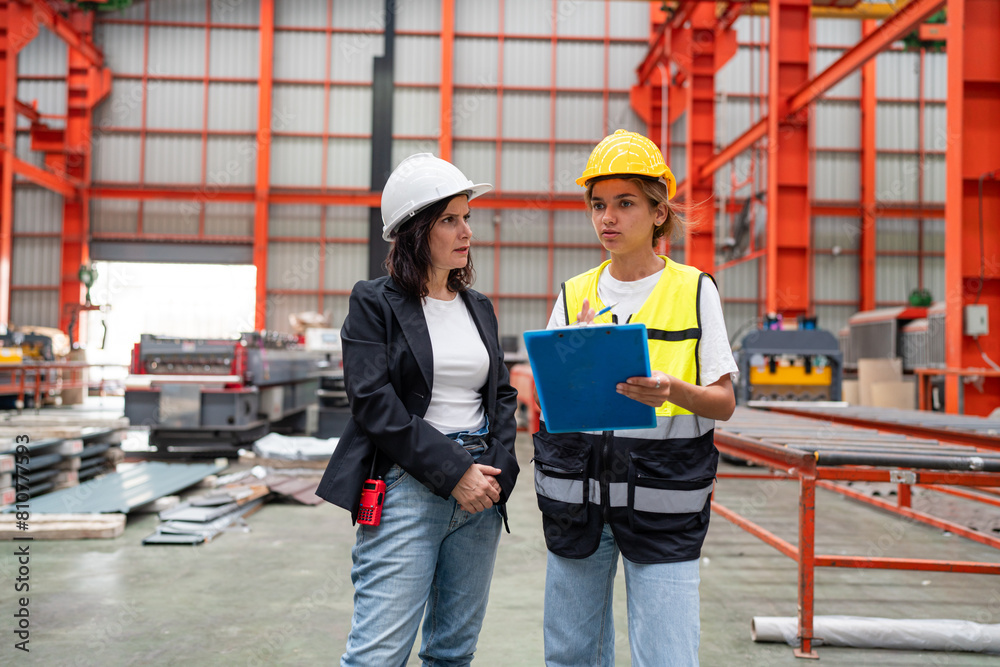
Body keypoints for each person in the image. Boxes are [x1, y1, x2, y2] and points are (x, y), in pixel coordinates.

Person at [535, 130, 737, 666]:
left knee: (668, 656)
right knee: (570, 655)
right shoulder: (574, 295)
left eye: (625, 203)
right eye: (599, 204)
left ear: (658, 212)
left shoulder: (694, 290)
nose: (609, 218)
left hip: (662, 503)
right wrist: (568, 363)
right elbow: (551, 405)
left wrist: (673, 390)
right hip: (579, 504)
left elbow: (723, 402)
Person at [316, 153, 520, 667]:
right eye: (449, 220)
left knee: (453, 652)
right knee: (378, 654)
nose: (466, 231)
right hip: (408, 486)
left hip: (482, 488)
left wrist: (497, 471)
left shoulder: (479, 307)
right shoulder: (374, 303)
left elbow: (501, 394)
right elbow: (372, 402)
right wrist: (454, 472)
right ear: (414, 231)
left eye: (466, 217)